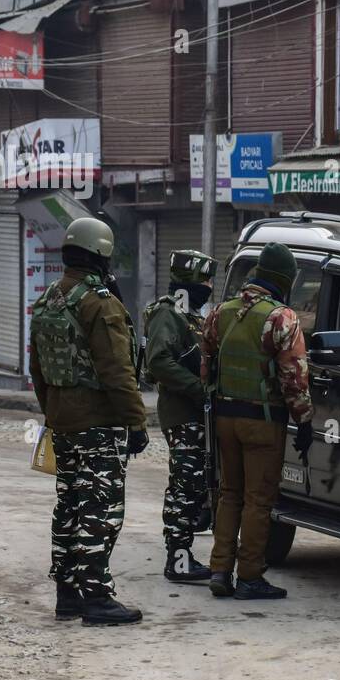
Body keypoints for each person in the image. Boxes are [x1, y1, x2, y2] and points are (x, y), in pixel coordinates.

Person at [29, 217, 148, 626]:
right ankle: (97, 598)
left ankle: (68, 594)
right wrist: (136, 422)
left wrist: (54, 411)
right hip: (98, 424)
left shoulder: (47, 299)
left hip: (62, 422)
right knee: (100, 507)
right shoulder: (100, 303)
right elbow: (118, 370)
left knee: (69, 506)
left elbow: (38, 369)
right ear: (101, 254)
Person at [200, 242, 313, 600]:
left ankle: (220, 570)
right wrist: (305, 422)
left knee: (229, 493)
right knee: (258, 499)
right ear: (284, 279)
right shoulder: (281, 317)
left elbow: (207, 368)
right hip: (262, 421)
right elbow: (294, 378)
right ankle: (249, 576)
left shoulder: (221, 312)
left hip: (224, 418)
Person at [143, 250, 218, 584]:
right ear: (189, 283)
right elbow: (157, 362)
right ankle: (178, 560)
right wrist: (199, 389)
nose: (210, 286)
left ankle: (184, 554)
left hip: (195, 417)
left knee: (196, 484)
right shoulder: (168, 313)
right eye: (205, 280)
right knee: (184, 487)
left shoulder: (190, 315)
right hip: (181, 415)